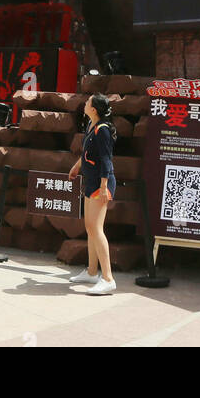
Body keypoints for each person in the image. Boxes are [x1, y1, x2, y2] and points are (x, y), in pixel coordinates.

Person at [67, 93, 117, 296]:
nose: (85, 104)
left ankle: (108, 279)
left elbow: (106, 159)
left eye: (88, 102)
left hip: (100, 184)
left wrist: (104, 186)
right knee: (90, 227)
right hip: (91, 181)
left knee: (96, 229)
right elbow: (88, 152)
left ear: (94, 109)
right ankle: (91, 271)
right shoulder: (91, 127)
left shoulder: (103, 130)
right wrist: (76, 166)